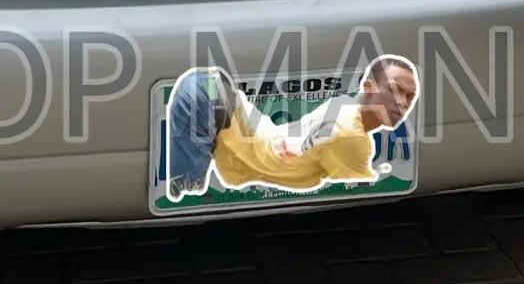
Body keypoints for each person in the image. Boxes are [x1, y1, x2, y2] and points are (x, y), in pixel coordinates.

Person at [162, 55, 419, 201]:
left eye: (410, 96)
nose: (403, 103)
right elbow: (363, 200)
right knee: (185, 192)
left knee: (198, 90)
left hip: (236, 120)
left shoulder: (346, 107)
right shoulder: (352, 137)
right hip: (233, 126)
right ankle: (185, 188)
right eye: (395, 89)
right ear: (369, 87)